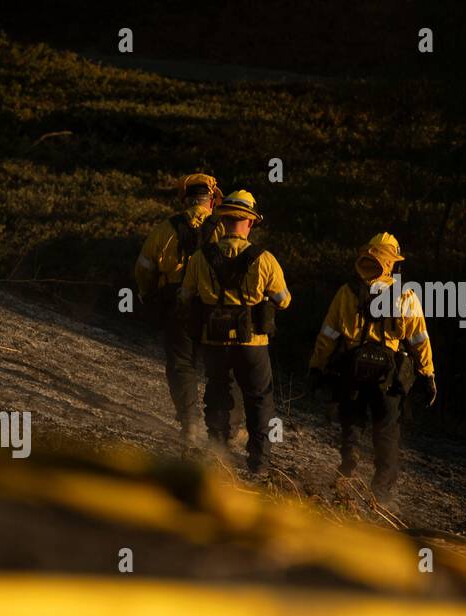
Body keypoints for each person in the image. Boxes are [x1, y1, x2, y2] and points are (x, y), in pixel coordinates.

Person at [307, 232, 436, 508]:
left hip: (352, 370)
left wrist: (317, 367)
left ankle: (349, 462)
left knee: (352, 418)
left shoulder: (347, 292)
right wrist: (427, 375)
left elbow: (327, 335)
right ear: (391, 263)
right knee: (387, 432)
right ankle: (381, 494)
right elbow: (419, 340)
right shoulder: (407, 295)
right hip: (387, 378)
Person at [178, 190, 290, 474]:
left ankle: (217, 452)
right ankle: (259, 463)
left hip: (213, 339)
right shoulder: (265, 259)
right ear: (251, 223)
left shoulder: (201, 257)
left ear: (223, 221)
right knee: (258, 398)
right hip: (253, 342)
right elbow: (284, 300)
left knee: (217, 392)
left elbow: (185, 296)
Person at [133, 173, 224, 445]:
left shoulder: (165, 228)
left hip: (176, 304)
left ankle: (190, 424)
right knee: (220, 367)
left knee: (181, 364)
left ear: (185, 199)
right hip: (215, 307)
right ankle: (227, 428)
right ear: (212, 201)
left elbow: (144, 268)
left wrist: (147, 295)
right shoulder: (224, 229)